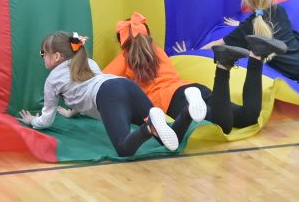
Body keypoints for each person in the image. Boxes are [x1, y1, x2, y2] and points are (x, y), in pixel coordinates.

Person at [104, 12, 283, 141]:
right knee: (248, 116)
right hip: (192, 89)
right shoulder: (157, 51)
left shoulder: (124, 58)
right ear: (148, 36)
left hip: (175, 100)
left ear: (122, 43)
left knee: (224, 126)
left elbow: (101, 83)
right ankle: (257, 56)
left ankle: (223, 66)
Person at [16, 31, 179, 157]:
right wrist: (73, 111)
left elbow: (47, 119)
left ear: (57, 56)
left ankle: (148, 128)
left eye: (43, 53)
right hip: (126, 85)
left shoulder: (52, 80)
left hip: (109, 94)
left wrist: (32, 121)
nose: (42, 57)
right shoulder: (87, 62)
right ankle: (185, 113)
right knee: (165, 137)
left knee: (124, 149)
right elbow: (85, 89)